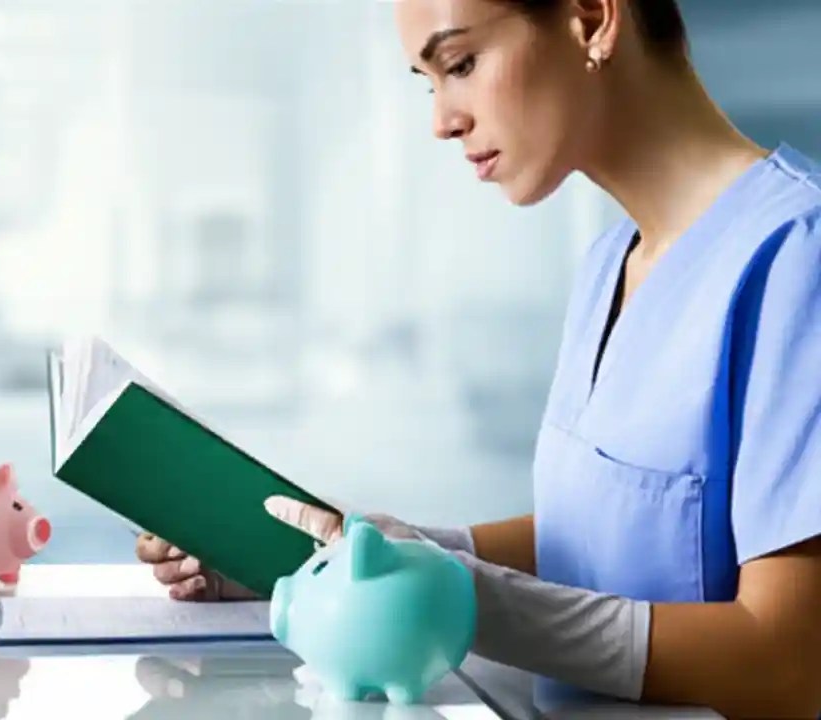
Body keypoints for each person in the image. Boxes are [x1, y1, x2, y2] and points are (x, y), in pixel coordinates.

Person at [135, 0, 821, 717]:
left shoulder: (797, 259)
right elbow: (605, 535)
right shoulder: (612, 260)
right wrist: (340, 563)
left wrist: (460, 600)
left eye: (461, 64)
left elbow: (787, 660)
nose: (442, 120)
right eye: (429, 82)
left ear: (591, 19)